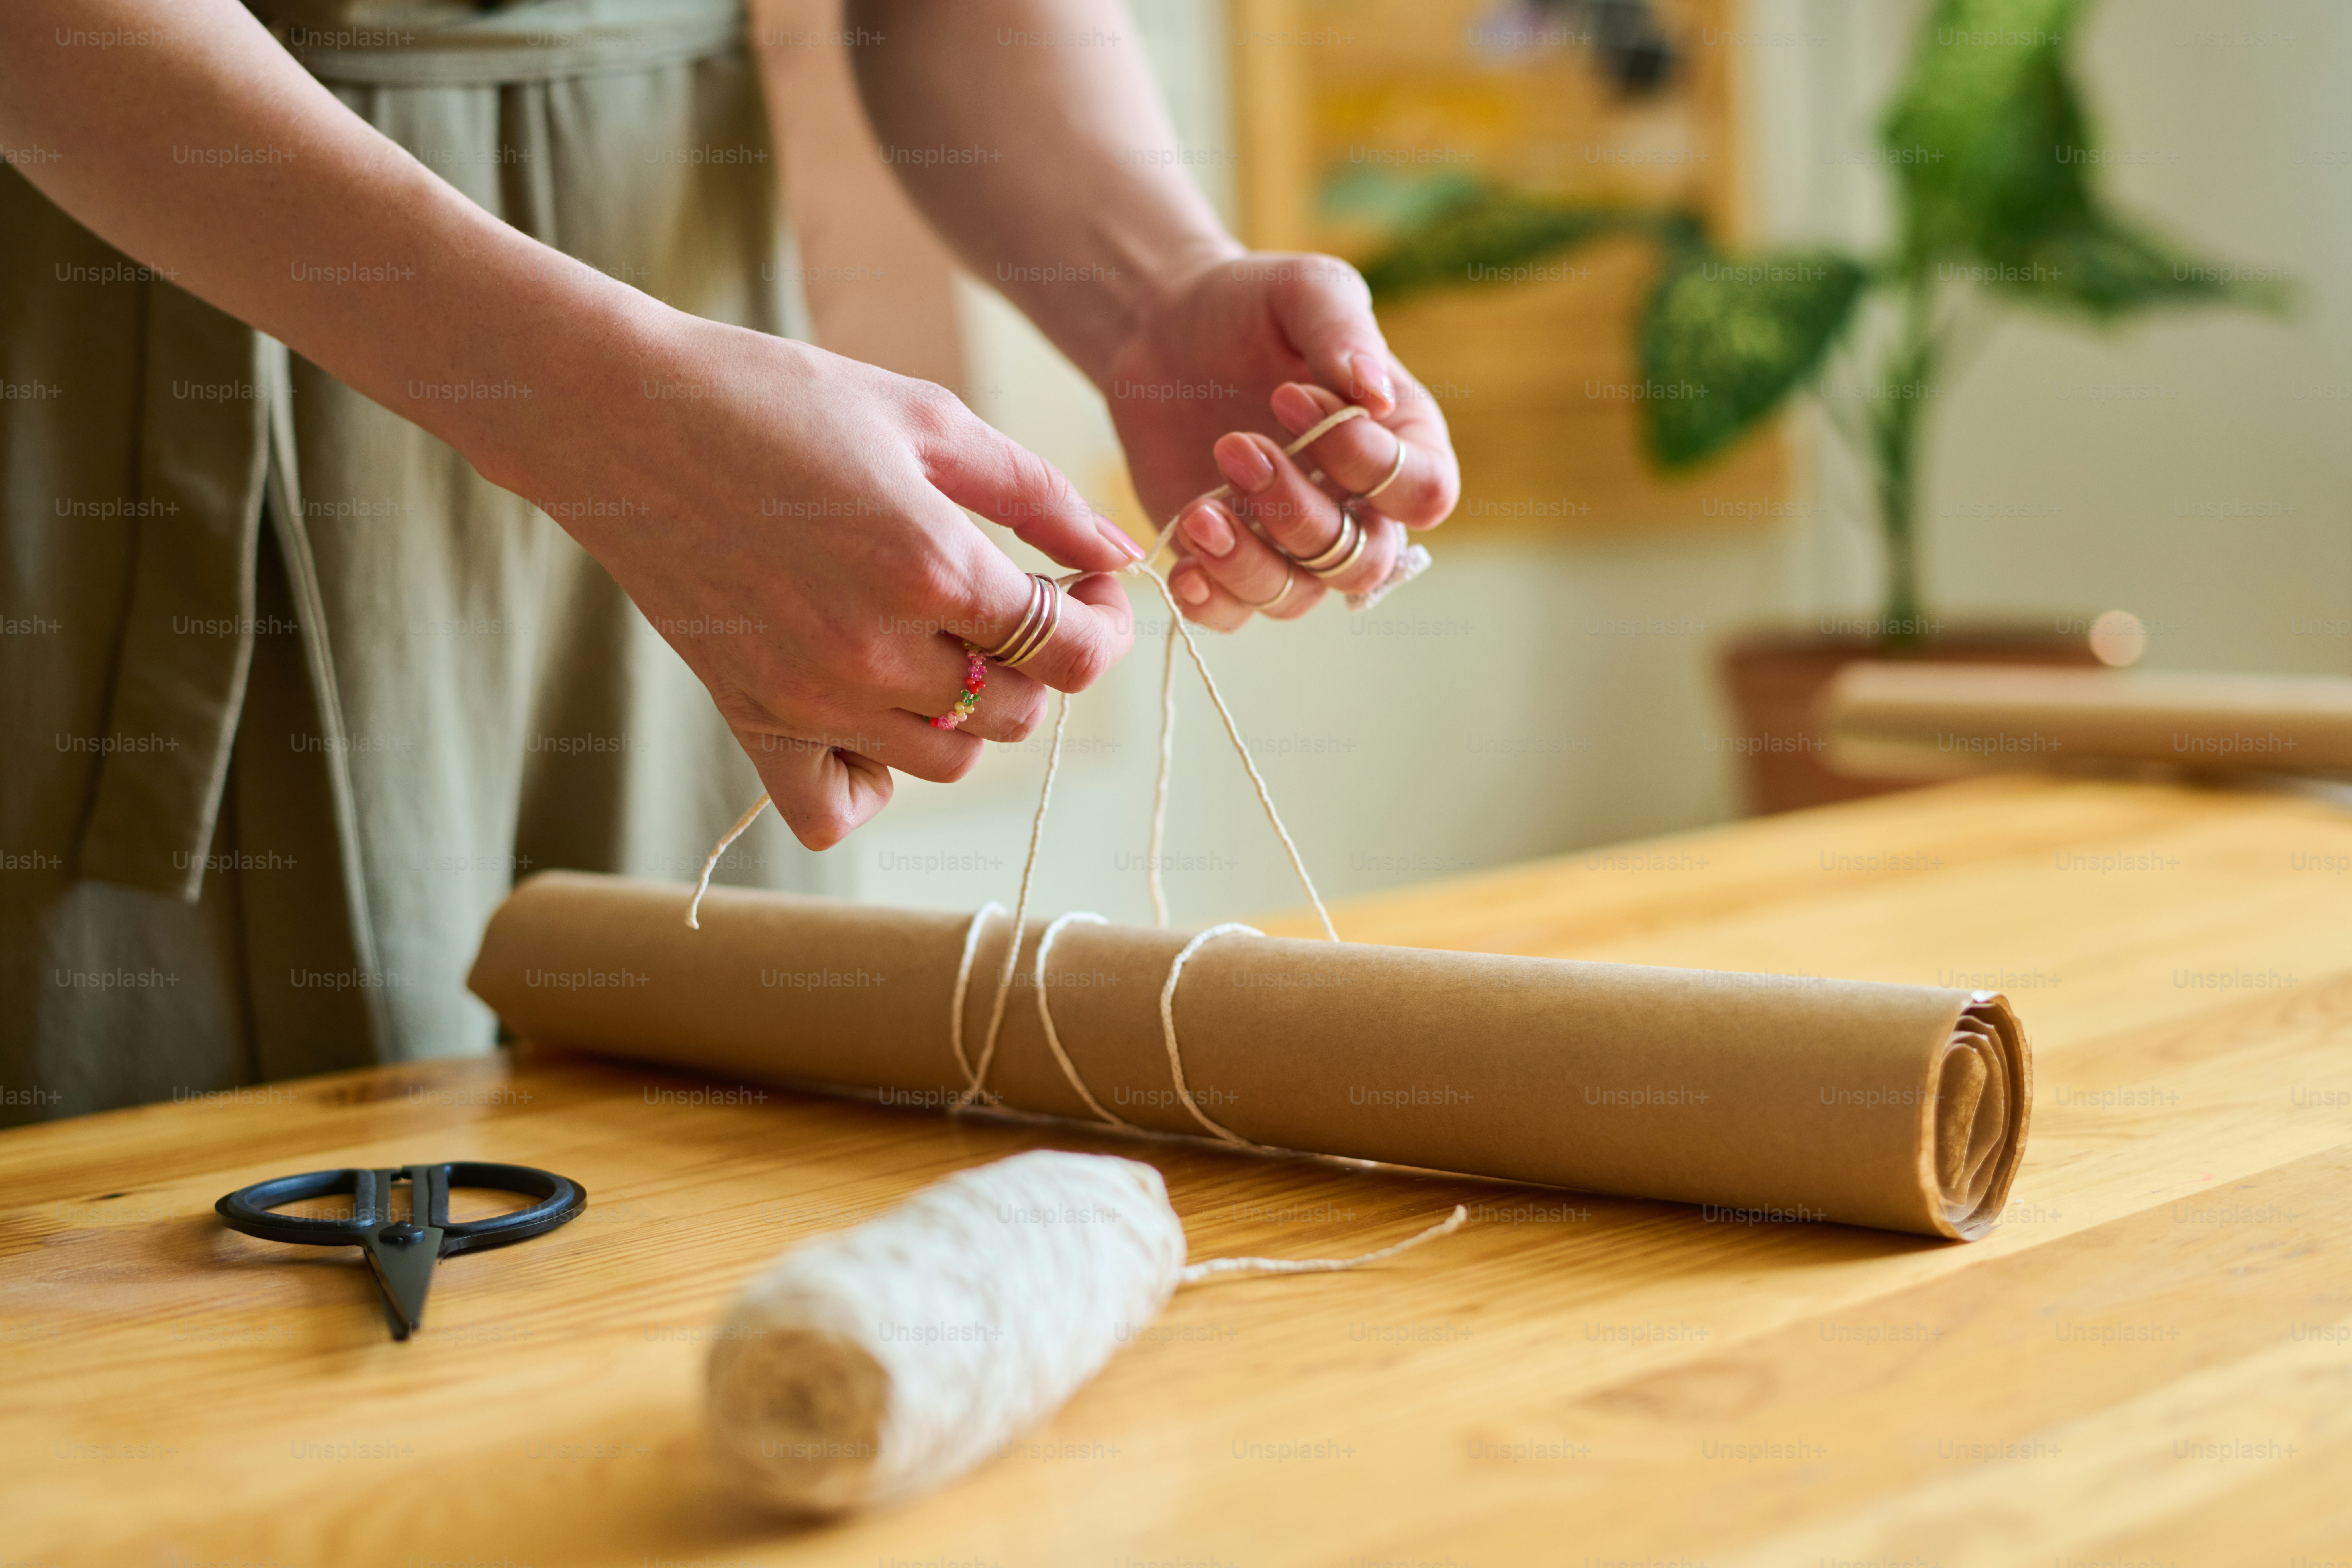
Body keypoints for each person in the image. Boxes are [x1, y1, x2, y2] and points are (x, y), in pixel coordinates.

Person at [0, 0, 1459, 1123]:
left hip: (714, 371)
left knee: (713, 1172)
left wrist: (1152, 289)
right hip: (164, 285)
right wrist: (612, 421)